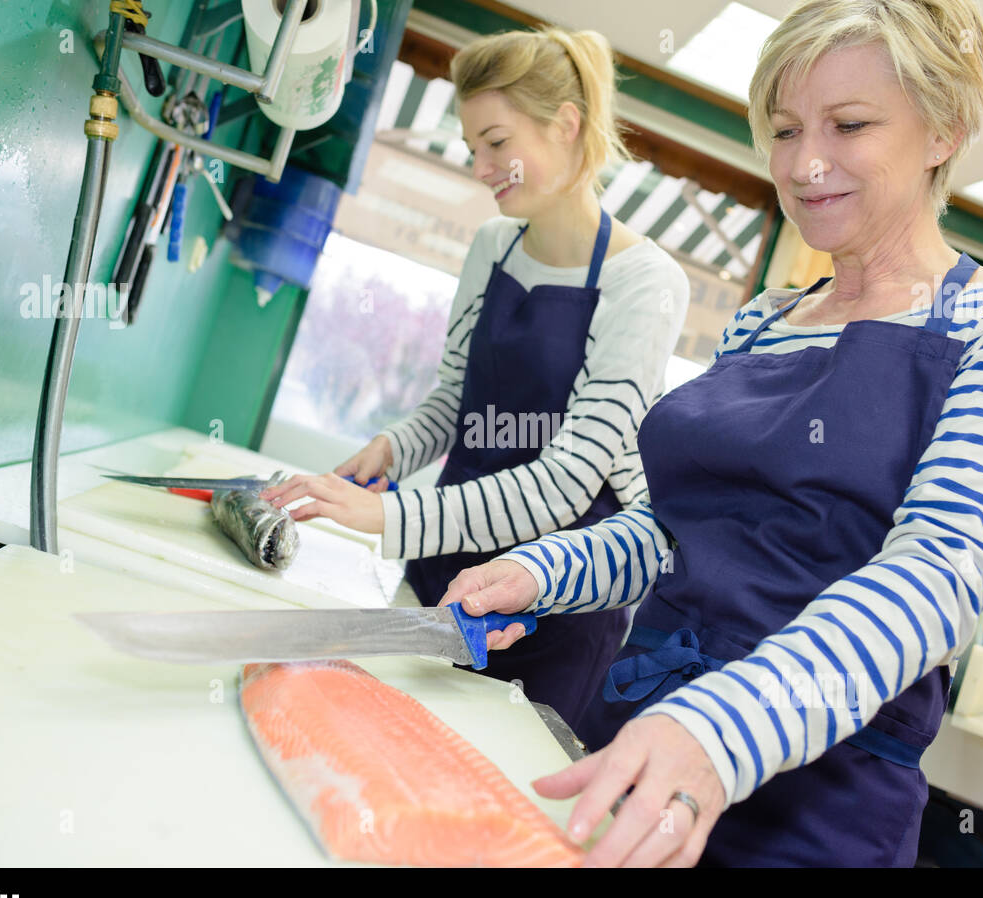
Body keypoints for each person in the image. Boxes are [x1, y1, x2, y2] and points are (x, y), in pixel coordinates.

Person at [441, 0, 983, 867]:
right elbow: (676, 533)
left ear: (946, 130)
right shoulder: (763, 322)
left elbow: (937, 574)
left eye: (850, 124)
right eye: (784, 131)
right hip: (633, 744)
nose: (806, 163)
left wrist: (718, 729)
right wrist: (543, 568)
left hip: (812, 806)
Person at [261, 27, 690, 733]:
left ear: (567, 125)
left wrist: (386, 517)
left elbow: (566, 483)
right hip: (442, 577)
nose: (481, 167)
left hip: (553, 614)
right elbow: (456, 400)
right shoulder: (494, 245)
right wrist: (394, 448)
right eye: (472, 149)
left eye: (496, 142)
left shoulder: (643, 281)